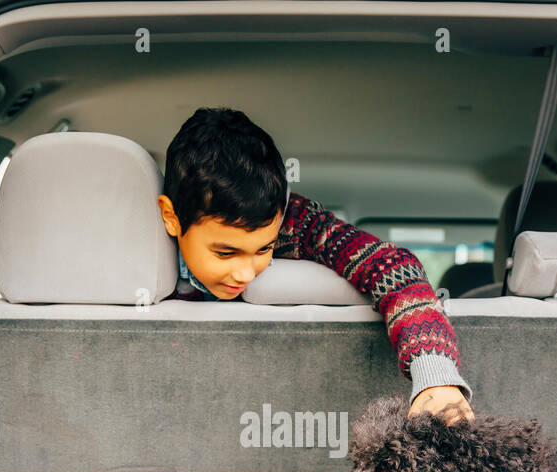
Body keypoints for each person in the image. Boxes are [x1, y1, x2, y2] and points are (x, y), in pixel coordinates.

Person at [156, 107, 474, 424]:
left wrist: (435, 374)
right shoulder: (134, 258)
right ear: (172, 217)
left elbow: (392, 267)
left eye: (264, 249)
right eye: (225, 253)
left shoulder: (298, 224)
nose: (245, 274)